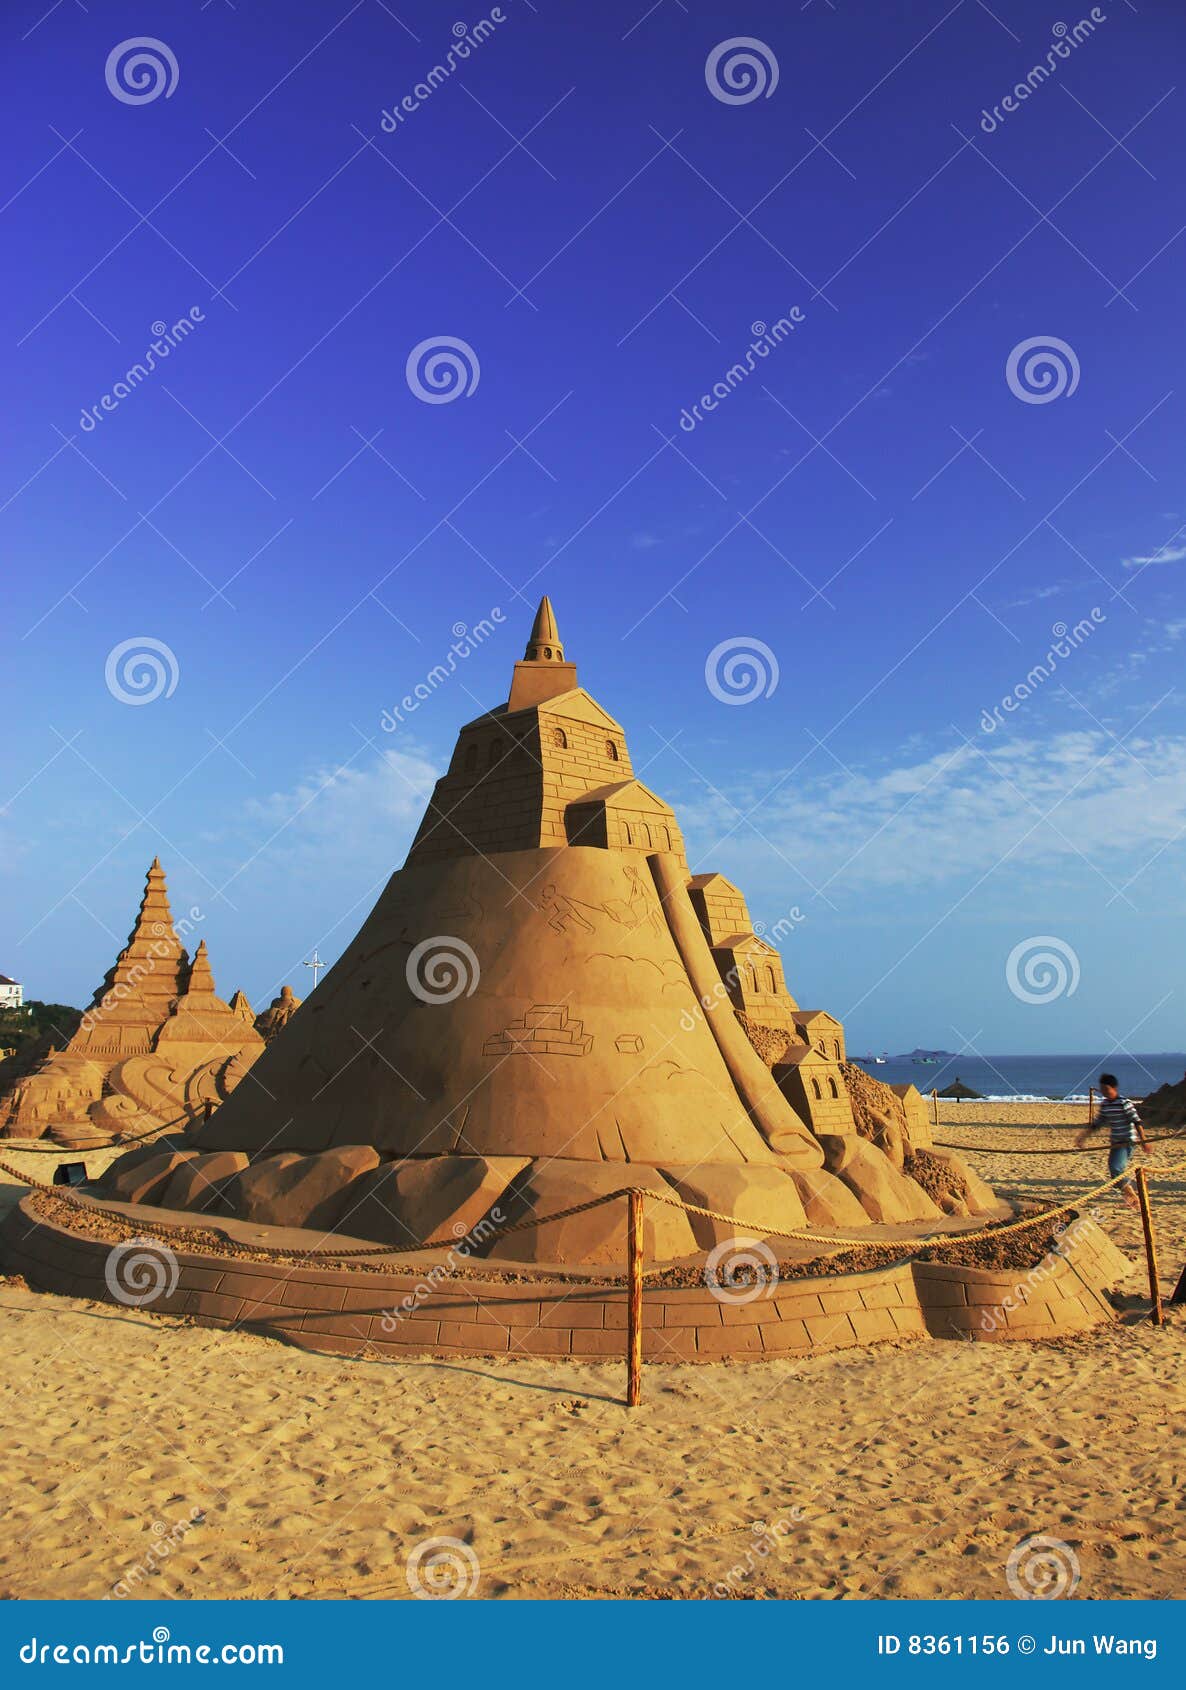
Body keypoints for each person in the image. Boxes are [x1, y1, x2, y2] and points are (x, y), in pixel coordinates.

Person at [1077, 1073, 1149, 1209]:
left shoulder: (1124, 1103)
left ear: (1114, 1088)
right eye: (1102, 1089)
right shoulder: (1105, 1105)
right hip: (1116, 1142)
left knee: (1116, 1168)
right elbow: (1098, 1123)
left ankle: (1133, 1197)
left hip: (1127, 1141)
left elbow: (1137, 1121)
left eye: (1106, 1089)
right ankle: (1131, 1196)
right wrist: (1083, 1137)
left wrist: (1144, 1141)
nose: (1104, 1092)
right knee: (1115, 1171)